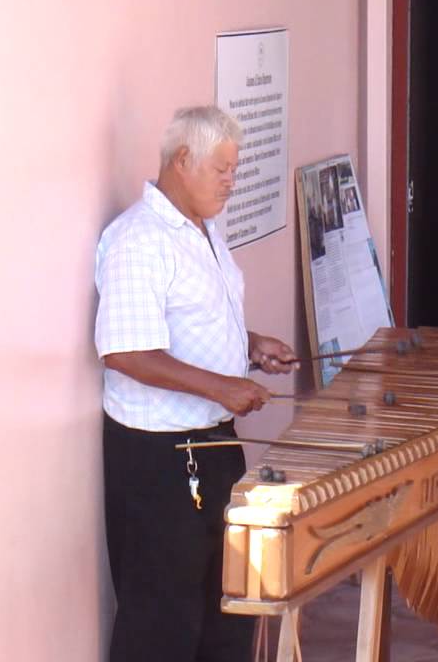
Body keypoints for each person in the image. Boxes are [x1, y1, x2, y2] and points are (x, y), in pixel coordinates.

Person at [94, 105, 300, 661]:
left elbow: (196, 319)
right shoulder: (138, 239)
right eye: (222, 170)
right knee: (163, 620)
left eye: (235, 170)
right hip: (159, 459)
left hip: (213, 444)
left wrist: (250, 346)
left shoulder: (204, 233)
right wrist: (220, 386)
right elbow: (125, 351)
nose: (232, 182)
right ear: (182, 161)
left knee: (224, 609)